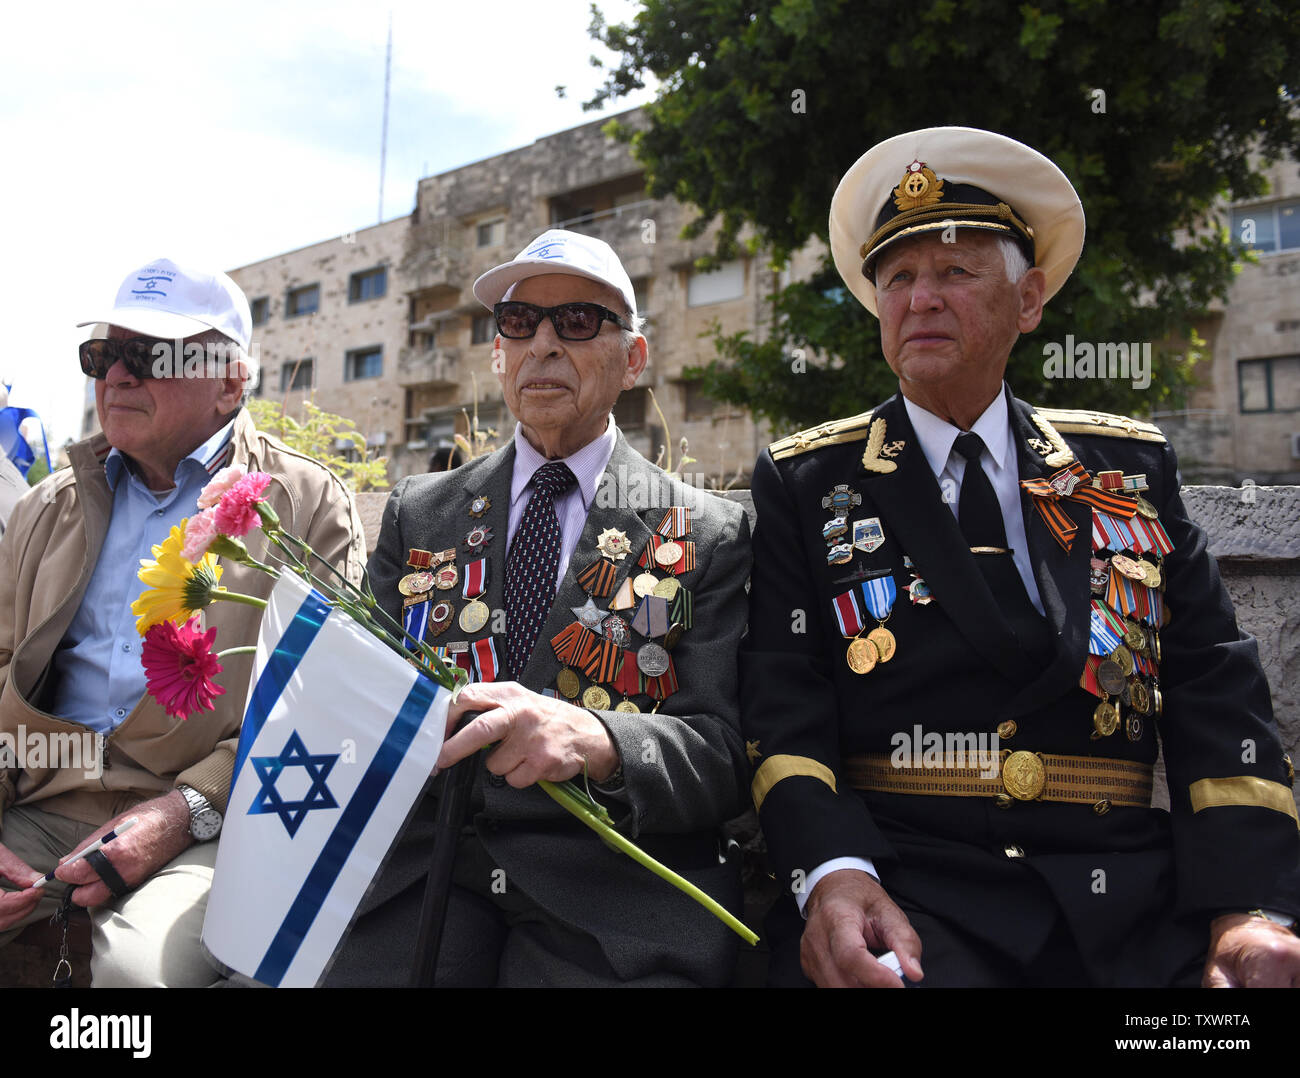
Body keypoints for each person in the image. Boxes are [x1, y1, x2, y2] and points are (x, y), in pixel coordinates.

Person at [742, 127, 1300, 988]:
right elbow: (784, 704)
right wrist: (835, 875)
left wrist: (1248, 912)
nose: (920, 299)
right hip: (912, 895)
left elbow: (1214, 690)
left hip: (1129, 908)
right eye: (897, 279)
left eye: (955, 273)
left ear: (1029, 299)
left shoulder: (1126, 470)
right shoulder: (810, 480)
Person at [327, 229, 751, 987]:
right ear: (499, 352)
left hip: (605, 893)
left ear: (635, 357)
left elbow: (722, 753)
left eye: (578, 322)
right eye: (519, 323)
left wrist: (598, 738)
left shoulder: (706, 531)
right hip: (425, 877)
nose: (543, 345)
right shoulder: (419, 513)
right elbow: (363, 704)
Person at [0, 258, 365, 986]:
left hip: (206, 820)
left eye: (152, 356)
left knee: (133, 978)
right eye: (104, 355)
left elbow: (320, 707)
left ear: (231, 381)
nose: (118, 377)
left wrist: (187, 809)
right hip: (41, 795)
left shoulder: (304, 505)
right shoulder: (47, 506)